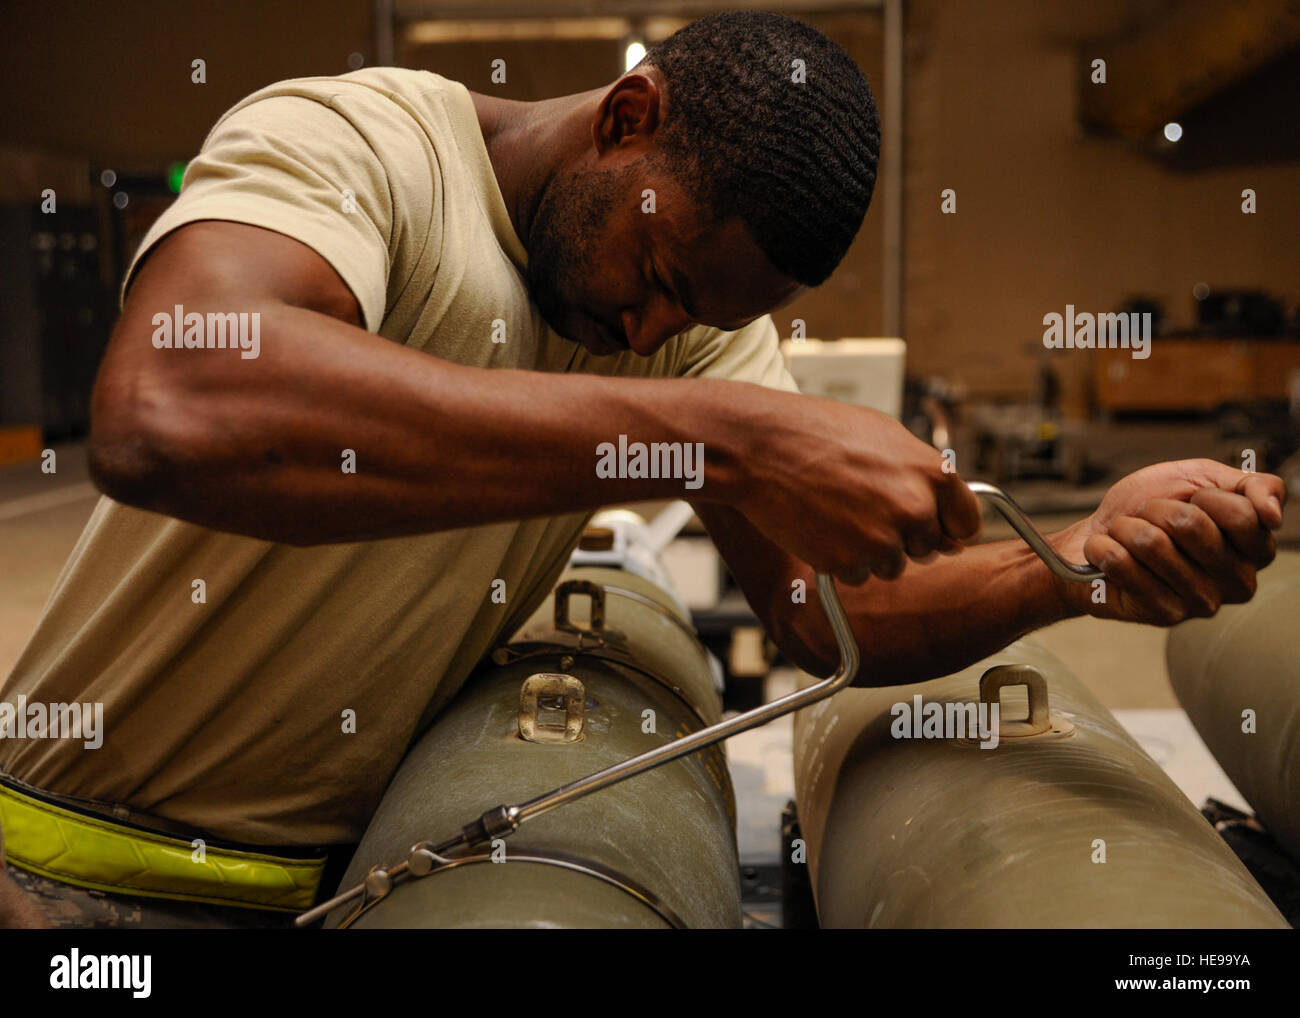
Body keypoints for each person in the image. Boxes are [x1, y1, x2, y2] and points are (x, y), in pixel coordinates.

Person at [0, 11, 1283, 927]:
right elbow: (170, 402)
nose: (647, 336)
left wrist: (1082, 570)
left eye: (689, 322)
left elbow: (834, 613)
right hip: (68, 877)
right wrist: (729, 437)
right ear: (626, 119)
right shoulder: (366, 145)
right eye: (660, 279)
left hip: (321, 882)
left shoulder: (700, 334)